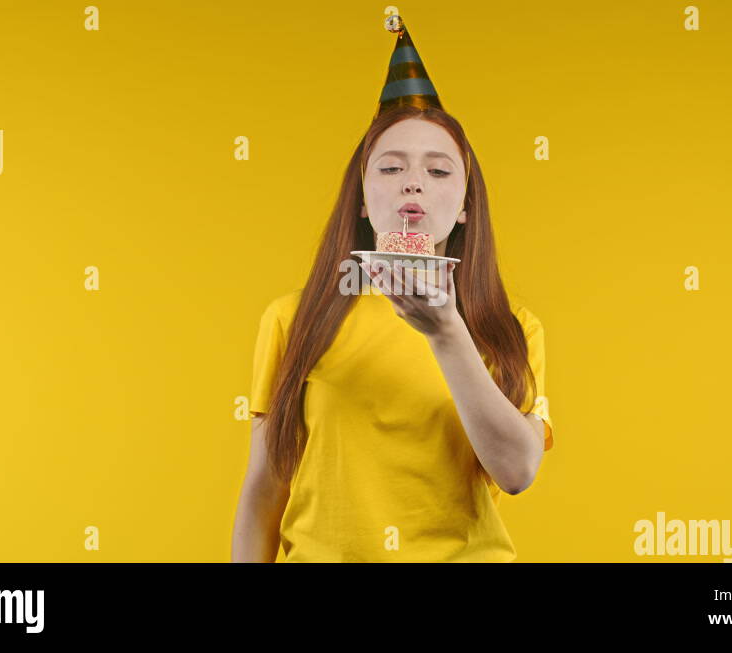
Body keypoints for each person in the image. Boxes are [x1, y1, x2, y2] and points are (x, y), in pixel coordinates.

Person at [231, 15, 554, 563]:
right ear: (361, 199)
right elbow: (263, 491)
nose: (413, 182)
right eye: (390, 167)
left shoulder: (510, 325)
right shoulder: (292, 319)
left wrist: (447, 332)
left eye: (438, 171)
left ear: (464, 207)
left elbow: (518, 471)